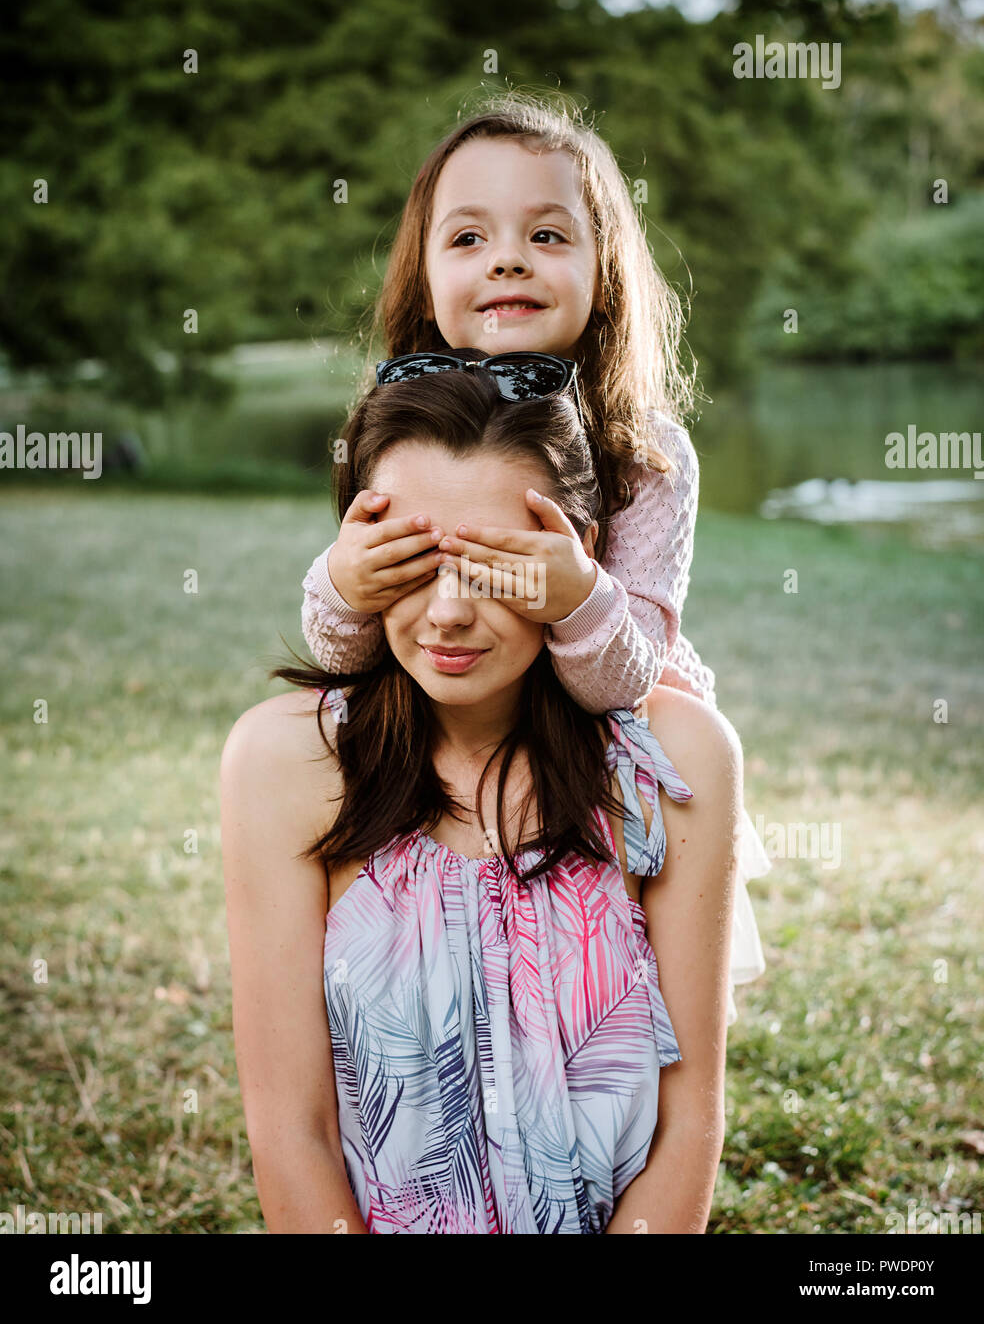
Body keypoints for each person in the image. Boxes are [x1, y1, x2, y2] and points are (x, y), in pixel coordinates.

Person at [220, 365, 742, 1234]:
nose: (450, 613)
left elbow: (688, 1126)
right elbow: (291, 1133)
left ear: (574, 556)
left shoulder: (675, 764)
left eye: (495, 565)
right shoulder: (288, 763)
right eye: (412, 563)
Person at [297, 90, 769, 1023]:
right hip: (449, 730)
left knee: (615, 999)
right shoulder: (399, 428)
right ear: (424, 276)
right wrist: (342, 584)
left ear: (605, 272)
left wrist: (576, 595)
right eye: (467, 238)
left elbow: (624, 674)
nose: (507, 256)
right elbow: (348, 650)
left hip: (594, 736)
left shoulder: (646, 450)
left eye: (547, 235)